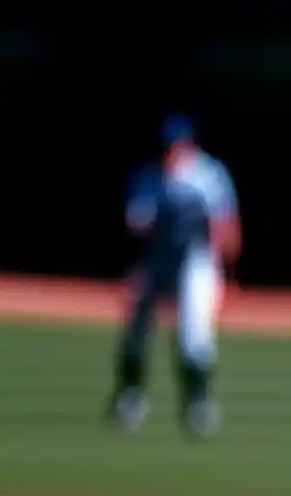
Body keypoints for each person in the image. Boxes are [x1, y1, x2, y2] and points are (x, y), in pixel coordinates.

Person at [106, 113, 241, 438]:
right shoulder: (149, 176)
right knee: (136, 329)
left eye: (177, 146)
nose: (171, 152)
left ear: (189, 146)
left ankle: (197, 403)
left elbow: (225, 224)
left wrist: (226, 272)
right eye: (167, 146)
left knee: (194, 333)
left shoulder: (208, 175)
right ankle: (130, 398)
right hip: (157, 258)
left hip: (196, 260)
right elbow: (137, 226)